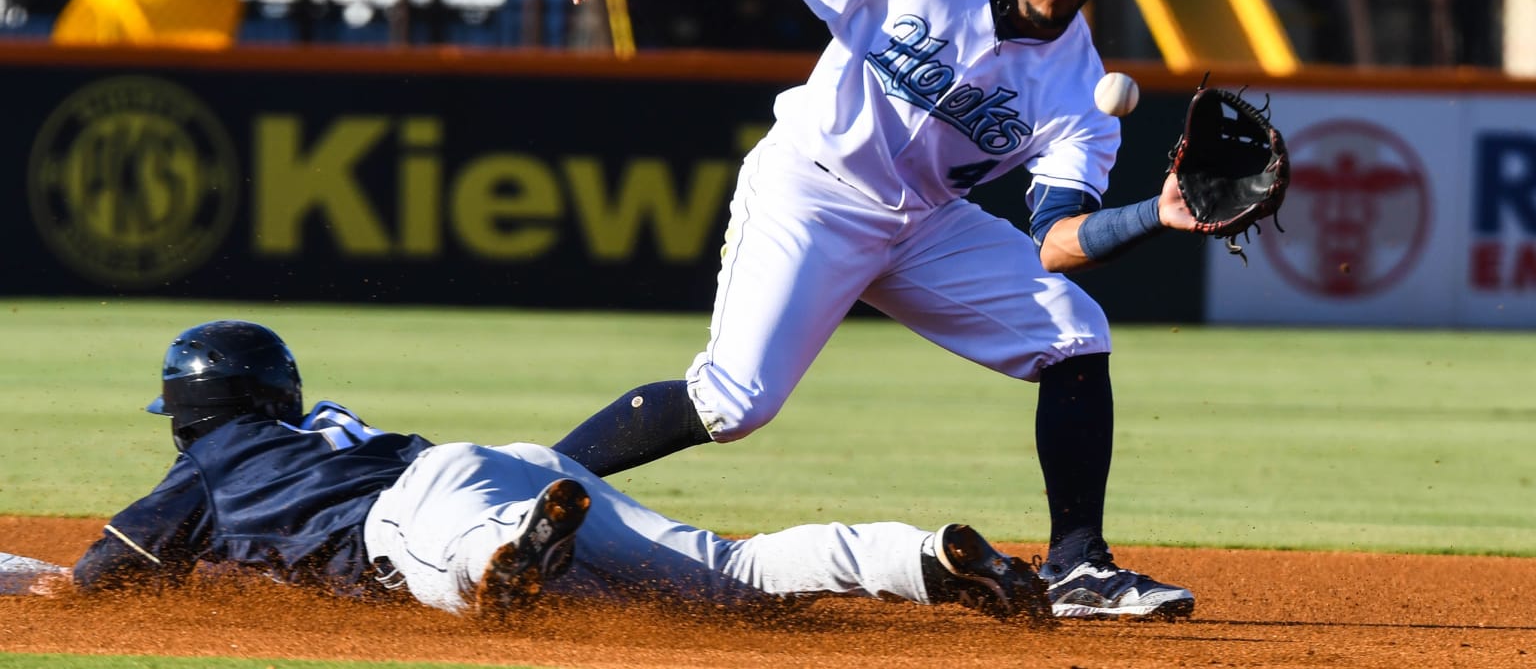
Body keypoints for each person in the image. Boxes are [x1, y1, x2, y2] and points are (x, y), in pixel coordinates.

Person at [553, 0, 1200, 620]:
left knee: (1075, 334)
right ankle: (522, 488)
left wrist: (1156, 215)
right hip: (812, 189)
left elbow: (1056, 242)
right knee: (732, 404)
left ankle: (1076, 565)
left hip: (925, 222)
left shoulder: (1081, 91)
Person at [34, 320, 1052, 624]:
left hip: (417, 515)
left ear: (190, 410)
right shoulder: (308, 435)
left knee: (465, 577)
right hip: (494, 462)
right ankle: (923, 556)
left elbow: (98, 577)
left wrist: (47, 587)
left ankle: (515, 553)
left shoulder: (206, 471)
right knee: (730, 575)